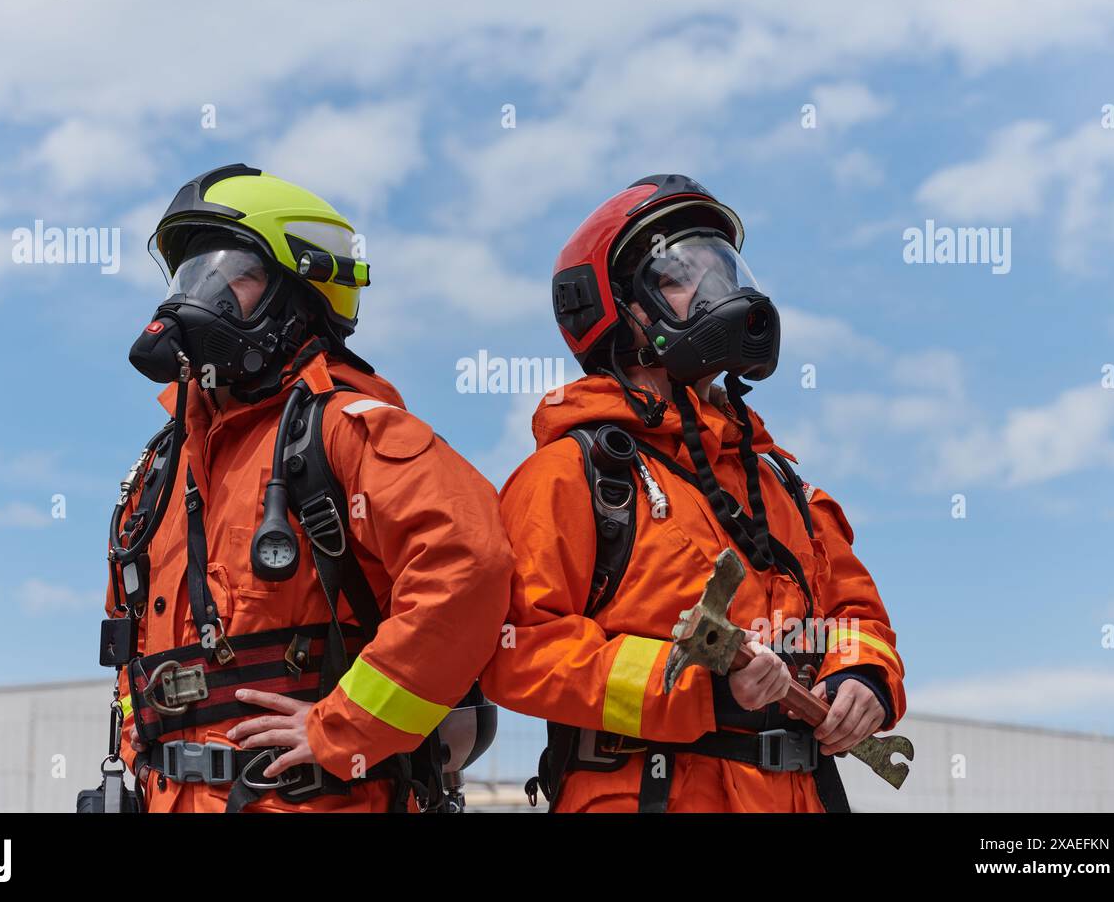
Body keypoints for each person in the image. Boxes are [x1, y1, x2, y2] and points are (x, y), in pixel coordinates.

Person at [480, 174, 906, 812]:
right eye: (682, 275)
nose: (718, 292)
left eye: (725, 271)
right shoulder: (573, 475)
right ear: (615, 310)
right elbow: (518, 652)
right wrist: (694, 684)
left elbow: (857, 617)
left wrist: (862, 675)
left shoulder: (780, 486)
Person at [102, 164, 511, 812]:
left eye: (232, 272)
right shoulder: (159, 476)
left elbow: (471, 566)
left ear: (302, 292)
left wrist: (347, 728)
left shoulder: (348, 435)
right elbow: (133, 660)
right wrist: (132, 766)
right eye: (190, 275)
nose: (197, 296)